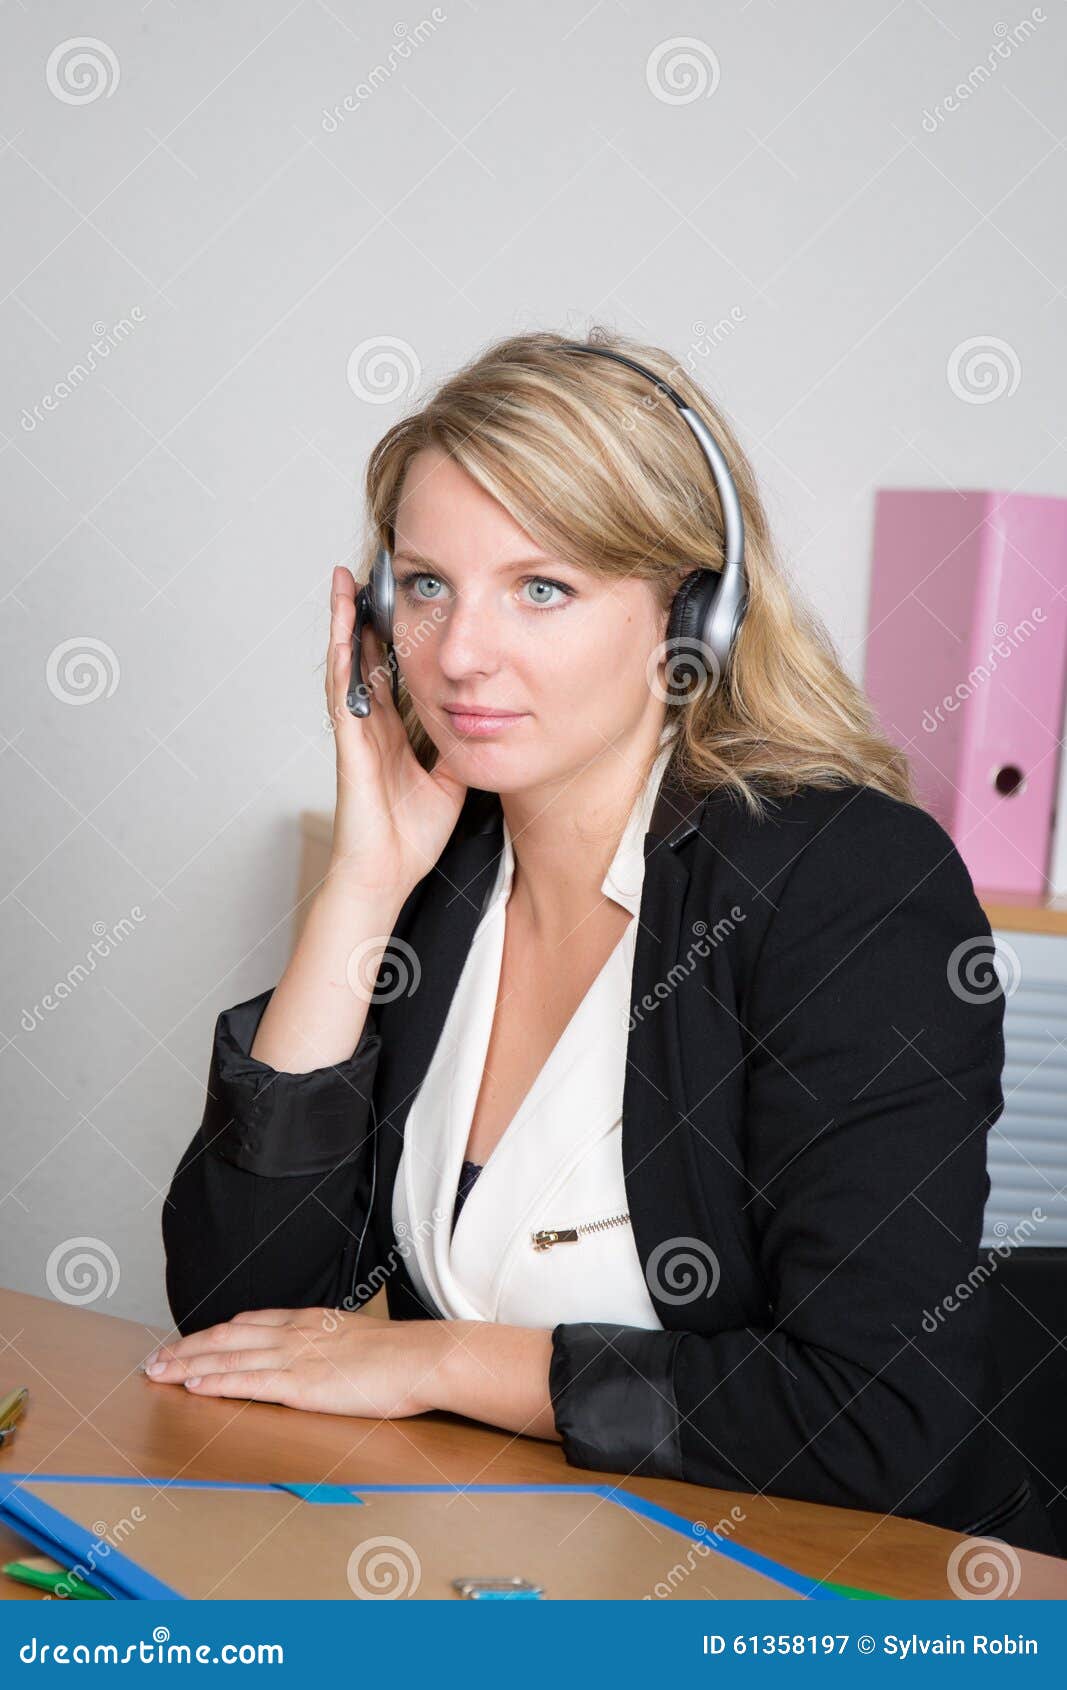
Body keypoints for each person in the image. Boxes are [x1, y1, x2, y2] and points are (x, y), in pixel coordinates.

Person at [153, 329, 1058, 1557]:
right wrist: (363, 887)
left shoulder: (839, 883)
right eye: (425, 585)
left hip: (794, 1597)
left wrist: (450, 1359)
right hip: (486, 1562)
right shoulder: (449, 864)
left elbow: (877, 1418)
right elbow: (239, 1312)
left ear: (691, 615)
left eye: (542, 587)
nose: (461, 653)